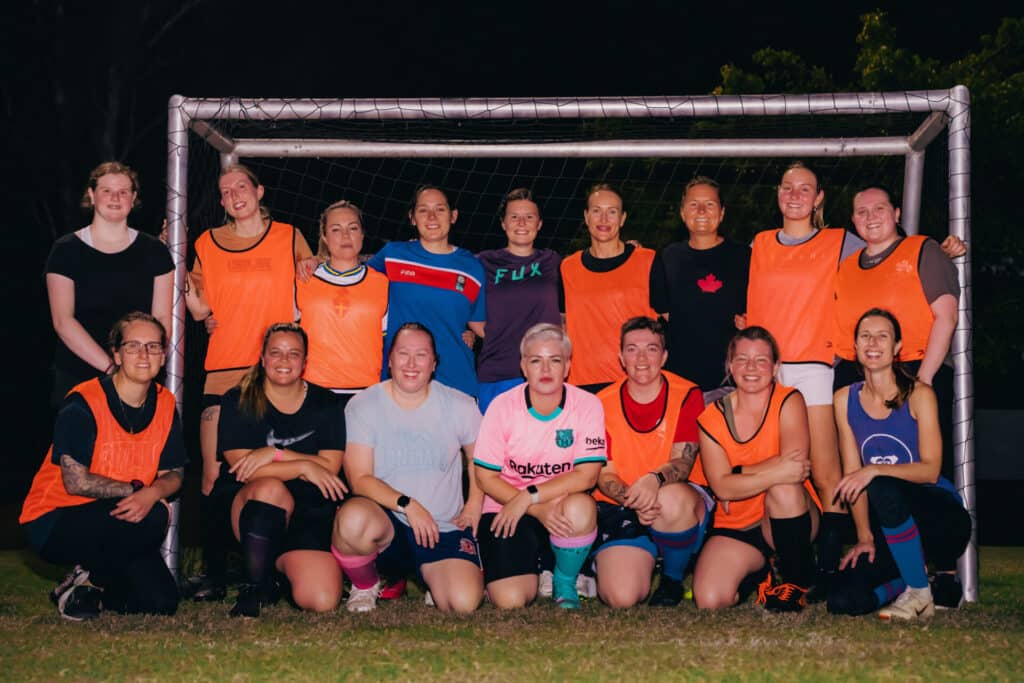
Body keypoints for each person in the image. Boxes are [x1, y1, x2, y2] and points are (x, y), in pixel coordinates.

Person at [185, 164, 315, 599]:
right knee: (213, 472)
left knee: (272, 470)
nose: (235, 194)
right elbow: (195, 298)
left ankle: (267, 565)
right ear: (221, 202)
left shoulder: (290, 235)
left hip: (276, 372)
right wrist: (201, 310)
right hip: (223, 368)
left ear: (258, 191)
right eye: (225, 191)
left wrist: (312, 267)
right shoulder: (207, 243)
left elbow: (310, 283)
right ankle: (215, 572)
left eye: (242, 185)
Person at [21, 312, 185, 620]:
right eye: (133, 345)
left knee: (160, 603)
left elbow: (174, 473)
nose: (143, 354)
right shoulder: (83, 403)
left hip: (122, 519)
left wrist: (152, 492)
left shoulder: (164, 404)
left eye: (152, 346)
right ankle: (93, 577)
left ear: (164, 356)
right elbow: (76, 482)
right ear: (117, 354)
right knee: (156, 516)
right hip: (56, 519)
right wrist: (140, 492)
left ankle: (82, 587)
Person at [331, 323, 484, 614]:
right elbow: (359, 479)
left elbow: (480, 457)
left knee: (462, 604)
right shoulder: (363, 405)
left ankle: (434, 578)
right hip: (390, 525)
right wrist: (408, 505)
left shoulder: (460, 404)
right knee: (352, 519)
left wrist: (475, 501)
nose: (411, 364)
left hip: (442, 526)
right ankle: (366, 584)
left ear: (434, 363)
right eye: (403, 354)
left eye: (421, 355)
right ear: (389, 360)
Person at [830, 309, 970, 620]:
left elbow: (930, 469)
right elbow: (852, 476)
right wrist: (864, 536)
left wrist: (875, 469)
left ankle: (919, 593)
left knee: (880, 484)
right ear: (854, 345)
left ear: (896, 347)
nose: (873, 343)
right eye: (865, 336)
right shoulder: (844, 399)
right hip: (893, 527)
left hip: (939, 517)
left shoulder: (920, 394)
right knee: (843, 600)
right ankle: (910, 585)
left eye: (883, 336)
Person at [212, 322, 348, 617]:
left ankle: (277, 573)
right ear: (262, 359)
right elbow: (242, 468)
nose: (284, 361)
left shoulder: (327, 403)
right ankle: (254, 585)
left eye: (293, 354)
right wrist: (303, 466)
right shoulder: (238, 400)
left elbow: (330, 467)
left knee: (323, 599)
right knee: (271, 488)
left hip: (307, 512)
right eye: (276, 353)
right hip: (252, 505)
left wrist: (274, 453)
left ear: (305, 362)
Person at [473, 324, 605, 609]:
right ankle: (529, 567)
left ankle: (564, 579)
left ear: (568, 366)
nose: (545, 369)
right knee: (510, 601)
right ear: (523, 366)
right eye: (536, 360)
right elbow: (485, 477)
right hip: (507, 506)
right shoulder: (501, 406)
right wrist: (532, 506)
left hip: (560, 508)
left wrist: (530, 495)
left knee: (582, 507)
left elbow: (588, 475)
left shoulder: (588, 405)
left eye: (555, 360)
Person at [834, 185, 959, 483]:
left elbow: (947, 316)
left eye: (879, 208)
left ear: (897, 213)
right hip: (865, 379)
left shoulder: (922, 250)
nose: (871, 216)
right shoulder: (846, 267)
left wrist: (923, 381)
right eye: (862, 212)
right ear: (853, 220)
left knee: (923, 471)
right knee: (867, 468)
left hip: (915, 368)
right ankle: (868, 530)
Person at [691, 327, 819, 612]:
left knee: (784, 489)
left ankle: (795, 582)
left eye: (761, 360)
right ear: (729, 365)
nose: (751, 368)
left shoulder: (788, 400)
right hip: (737, 524)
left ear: (775, 367)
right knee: (709, 600)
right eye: (742, 359)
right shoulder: (711, 418)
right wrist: (769, 471)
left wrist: (735, 474)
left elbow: (795, 467)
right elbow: (722, 488)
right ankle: (761, 575)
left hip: (786, 517)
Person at [592, 317, 713, 608]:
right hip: (626, 504)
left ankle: (672, 576)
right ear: (621, 357)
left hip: (677, 506)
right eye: (632, 349)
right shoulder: (601, 402)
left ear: (665, 355)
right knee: (621, 597)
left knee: (671, 498)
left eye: (652, 349)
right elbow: (603, 474)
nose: (642, 358)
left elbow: (683, 464)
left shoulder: (687, 394)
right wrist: (634, 500)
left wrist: (653, 480)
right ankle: (618, 560)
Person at [45, 162, 173, 407]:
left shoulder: (154, 251)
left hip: (139, 376)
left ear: (133, 198)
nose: (115, 198)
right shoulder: (65, 250)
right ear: (92, 195)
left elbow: (161, 318)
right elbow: (63, 321)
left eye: (124, 192)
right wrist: (112, 368)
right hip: (79, 376)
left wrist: (140, 365)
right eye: (106, 191)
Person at [368, 186, 486, 398]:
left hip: (455, 381)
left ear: (453, 216)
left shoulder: (471, 267)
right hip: (402, 381)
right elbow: (351, 279)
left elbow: (479, 323)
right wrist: (316, 261)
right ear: (412, 218)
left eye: (440, 209)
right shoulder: (393, 256)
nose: (432, 216)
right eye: (423, 210)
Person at [650, 177, 750, 402]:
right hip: (680, 385)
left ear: (722, 212)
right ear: (683, 213)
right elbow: (661, 313)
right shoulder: (668, 257)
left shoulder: (744, 257)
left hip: (732, 383)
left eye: (710, 204)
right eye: (694, 204)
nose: (702, 210)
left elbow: (760, 311)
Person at [561, 183, 658, 393]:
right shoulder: (567, 267)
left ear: (622, 218)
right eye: (597, 211)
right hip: (583, 383)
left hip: (636, 381)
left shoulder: (648, 260)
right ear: (586, 217)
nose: (604, 219)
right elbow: (561, 323)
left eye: (612, 211)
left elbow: (669, 319)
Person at [476, 188, 561, 413]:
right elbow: (463, 307)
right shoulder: (483, 262)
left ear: (539, 223)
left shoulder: (552, 261)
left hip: (546, 373)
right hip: (498, 371)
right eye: (514, 217)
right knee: (499, 447)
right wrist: (493, 333)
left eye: (529, 217)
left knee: (543, 446)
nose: (522, 223)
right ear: (503, 223)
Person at [297, 199, 389, 407]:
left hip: (367, 395)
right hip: (313, 391)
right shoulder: (303, 280)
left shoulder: (382, 284)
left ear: (362, 235)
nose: (346, 236)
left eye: (353, 228)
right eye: (336, 229)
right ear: (324, 237)